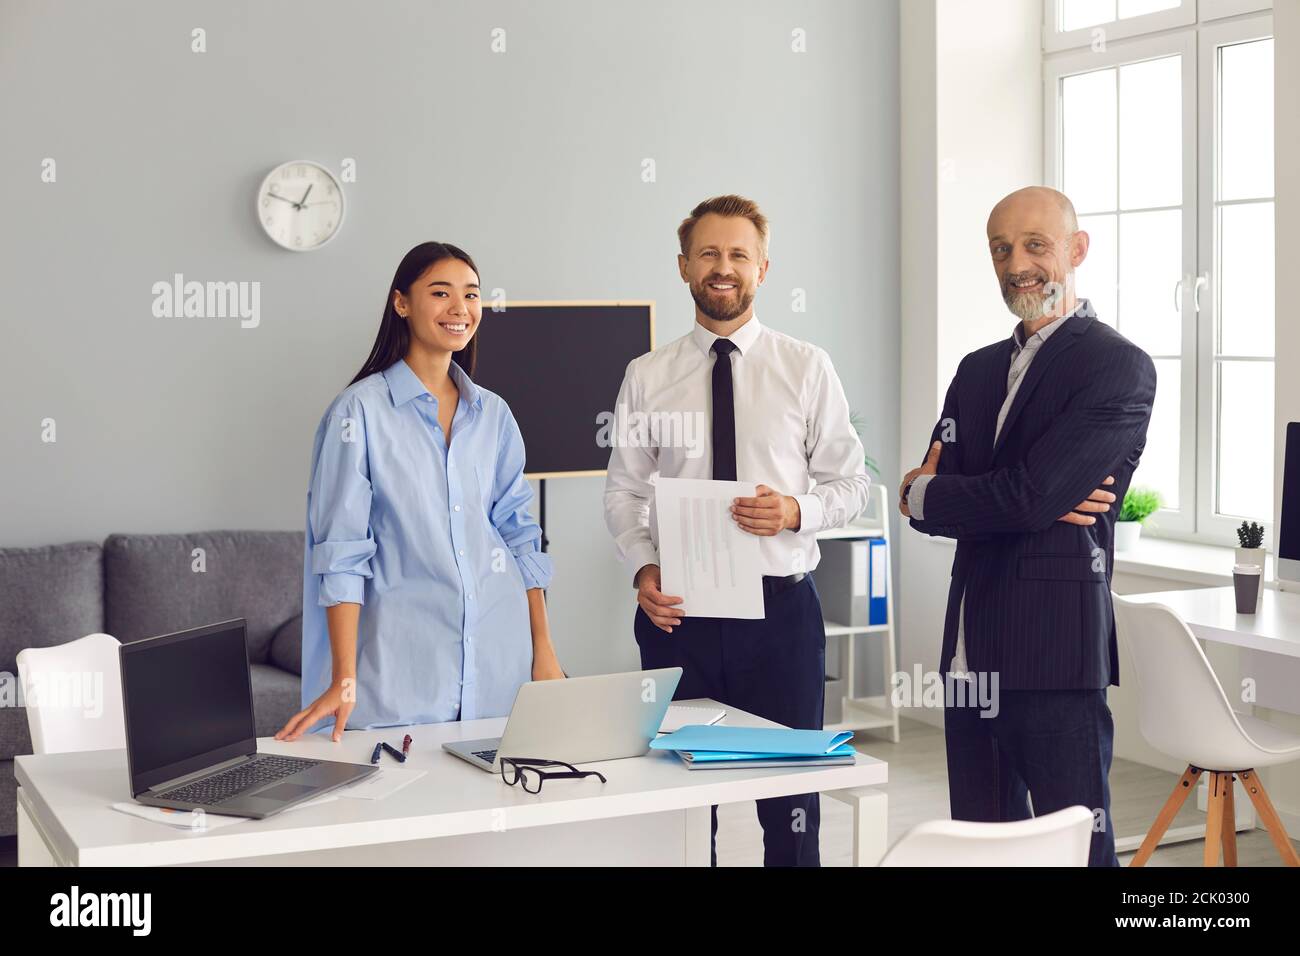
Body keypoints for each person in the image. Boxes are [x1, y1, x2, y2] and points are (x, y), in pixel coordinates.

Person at [604, 194, 873, 866]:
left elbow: (851, 484)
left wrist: (794, 511)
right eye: (709, 254)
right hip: (678, 617)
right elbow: (625, 492)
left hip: (780, 618)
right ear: (684, 266)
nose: (723, 267)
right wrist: (643, 568)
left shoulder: (806, 368)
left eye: (738, 255)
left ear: (763, 268)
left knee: (789, 808)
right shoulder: (647, 376)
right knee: (682, 808)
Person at [900, 186, 1156, 867]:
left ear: (1076, 250)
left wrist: (946, 492)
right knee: (982, 851)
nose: (1018, 264)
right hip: (967, 655)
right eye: (1001, 249)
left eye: (1035, 245)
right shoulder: (976, 370)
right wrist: (942, 494)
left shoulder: (1116, 365)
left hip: (1054, 659)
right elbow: (938, 503)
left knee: (1076, 850)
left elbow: (1021, 499)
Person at [278, 241, 563, 743]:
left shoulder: (494, 415)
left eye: (472, 295)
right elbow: (341, 554)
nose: (460, 309)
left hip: (498, 666)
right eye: (441, 292)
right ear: (402, 303)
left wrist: (544, 651)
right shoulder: (357, 414)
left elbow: (520, 538)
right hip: (400, 678)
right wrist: (343, 678)